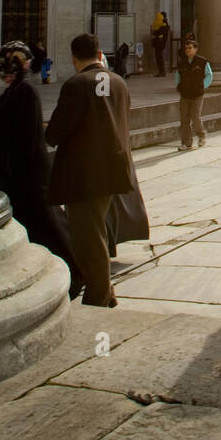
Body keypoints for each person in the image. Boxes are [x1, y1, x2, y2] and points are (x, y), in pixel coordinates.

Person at [0, 41, 83, 298]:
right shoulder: (15, 90)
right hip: (20, 175)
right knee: (42, 224)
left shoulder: (24, 91)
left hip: (28, 175)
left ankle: (75, 272)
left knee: (49, 224)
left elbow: (26, 135)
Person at [45, 32, 135, 307]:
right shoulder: (118, 82)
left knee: (87, 238)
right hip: (113, 170)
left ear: (74, 59)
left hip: (84, 175)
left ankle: (98, 296)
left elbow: (56, 133)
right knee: (97, 231)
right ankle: (105, 290)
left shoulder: (76, 84)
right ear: (99, 54)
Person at [175, 33, 212, 151]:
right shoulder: (182, 63)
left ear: (196, 49)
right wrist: (179, 87)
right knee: (184, 119)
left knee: (195, 116)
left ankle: (201, 135)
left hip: (197, 94)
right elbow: (178, 76)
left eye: (190, 48)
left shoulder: (202, 62)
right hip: (185, 94)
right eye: (186, 48)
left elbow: (209, 75)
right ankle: (186, 143)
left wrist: (202, 86)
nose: (187, 50)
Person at [151, 11, 169, 77]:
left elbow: (161, 35)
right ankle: (161, 71)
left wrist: (155, 35)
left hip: (159, 44)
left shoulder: (163, 24)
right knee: (158, 58)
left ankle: (162, 72)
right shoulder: (162, 23)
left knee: (159, 58)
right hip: (159, 43)